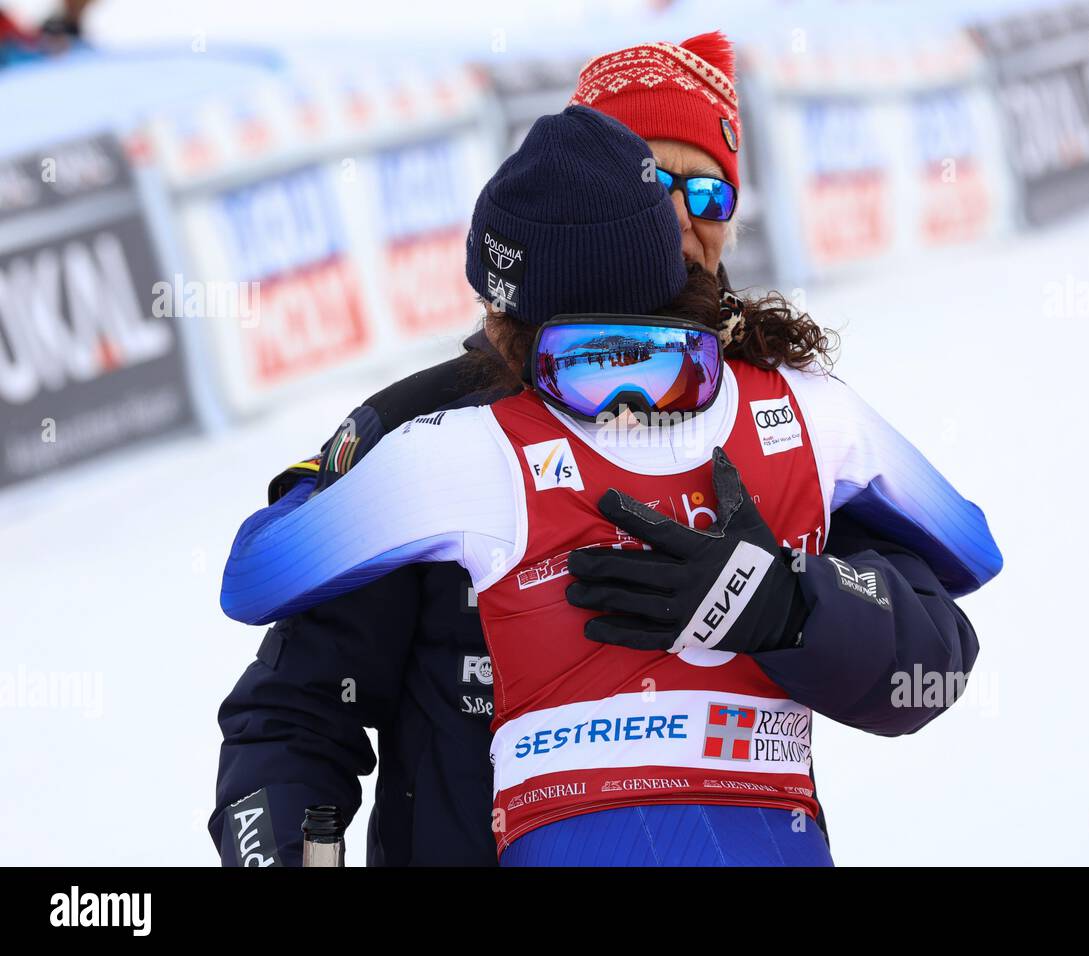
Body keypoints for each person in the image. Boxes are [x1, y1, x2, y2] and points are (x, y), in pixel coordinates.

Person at [211, 32, 994, 868]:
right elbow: (293, 711)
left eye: (711, 192)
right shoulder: (429, 431)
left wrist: (796, 609)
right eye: (655, 183)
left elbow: (933, 667)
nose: (683, 218)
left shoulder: (781, 415)